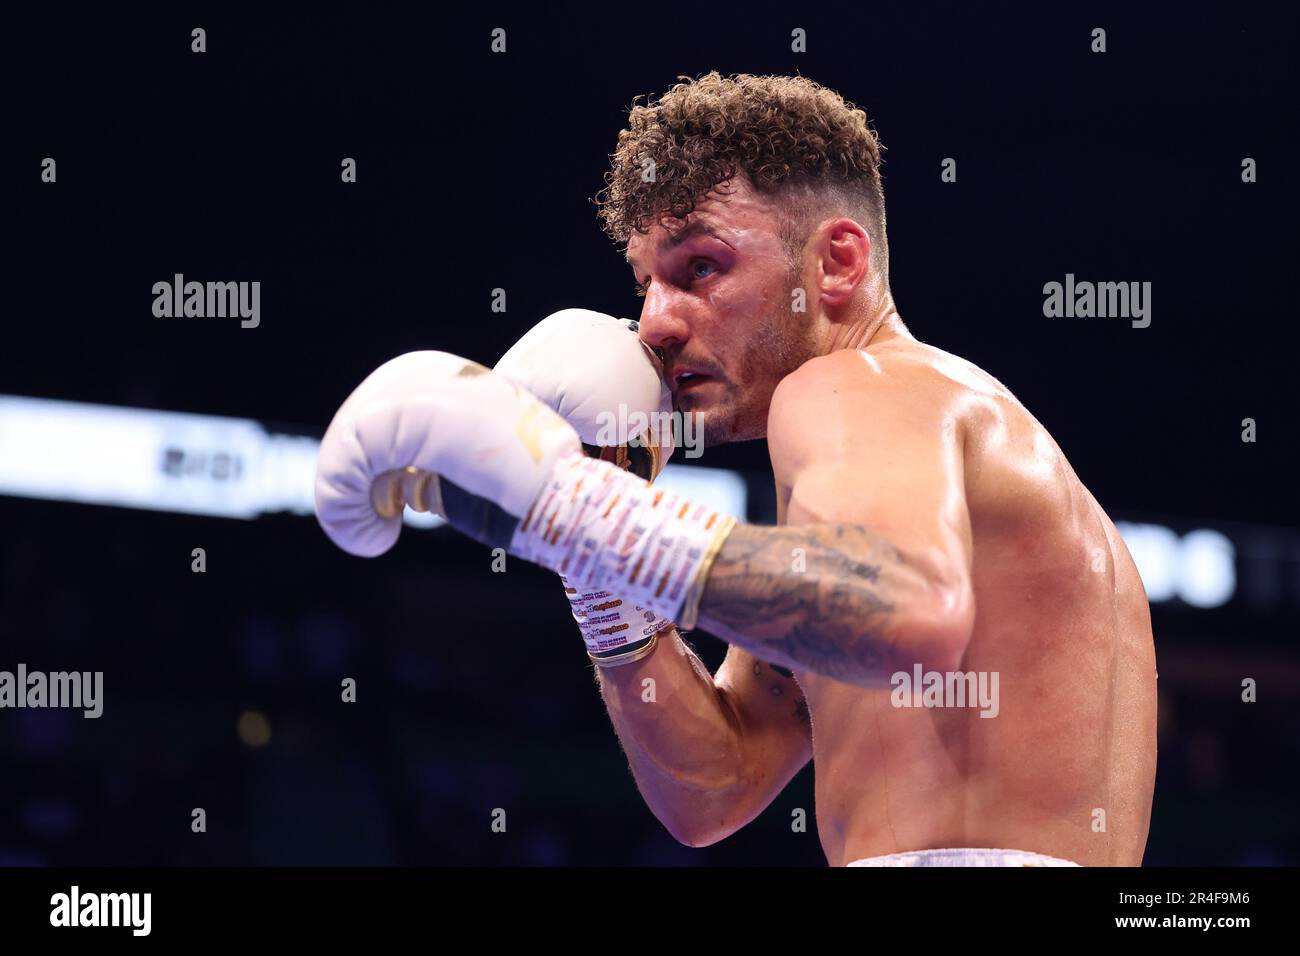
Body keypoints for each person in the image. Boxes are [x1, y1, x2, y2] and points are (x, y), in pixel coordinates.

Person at [315, 72, 1156, 867]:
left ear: (835, 264)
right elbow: (716, 788)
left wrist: (562, 506)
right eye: (645, 283)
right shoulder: (935, 452)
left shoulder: (857, 386)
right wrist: (597, 574)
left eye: (701, 268)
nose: (652, 324)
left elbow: (911, 618)